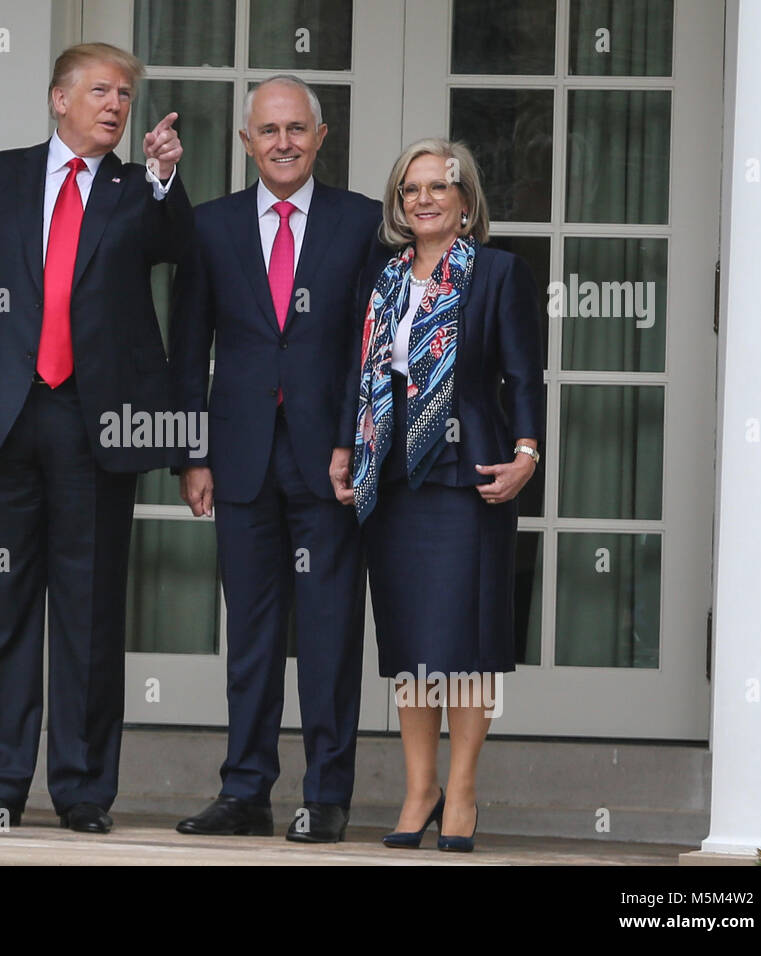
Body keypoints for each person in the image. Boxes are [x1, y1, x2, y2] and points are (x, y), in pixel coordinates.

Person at [0, 43, 190, 834]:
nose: (116, 105)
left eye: (126, 95)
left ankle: (81, 792)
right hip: (0, 419)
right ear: (58, 99)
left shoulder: (140, 191)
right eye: (101, 90)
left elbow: (176, 248)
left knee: (91, 613)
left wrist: (167, 176)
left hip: (96, 425)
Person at [169, 76, 384, 843]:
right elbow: (189, 347)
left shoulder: (362, 223)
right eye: (269, 130)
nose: (284, 142)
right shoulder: (211, 225)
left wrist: (355, 441)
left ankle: (326, 794)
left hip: (328, 460)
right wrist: (191, 454)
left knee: (328, 632)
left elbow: (372, 344)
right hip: (239, 459)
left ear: (321, 138)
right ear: (246, 142)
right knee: (252, 634)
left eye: (297, 129)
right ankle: (246, 790)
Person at [346, 138, 543, 851]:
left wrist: (527, 453)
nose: (423, 199)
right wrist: (349, 449)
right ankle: (418, 788)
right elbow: (363, 375)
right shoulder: (384, 278)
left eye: (438, 187)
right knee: (410, 643)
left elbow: (524, 375)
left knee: (466, 643)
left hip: (470, 476)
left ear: (466, 201)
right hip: (394, 479)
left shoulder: (497, 273)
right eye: (410, 190)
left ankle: (461, 792)